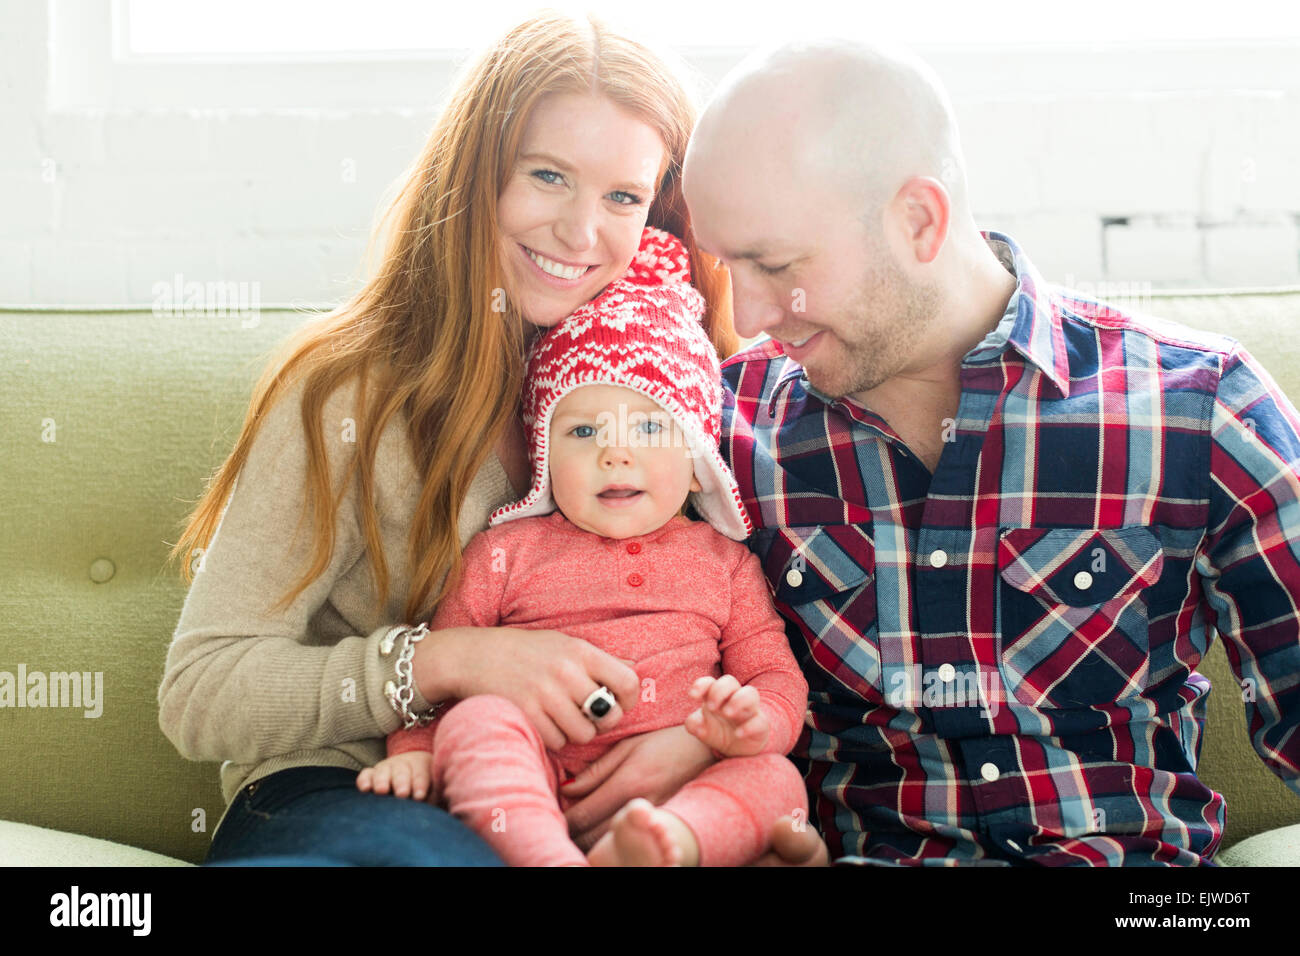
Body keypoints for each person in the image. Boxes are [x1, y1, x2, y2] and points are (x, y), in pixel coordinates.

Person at [157, 10, 824, 866]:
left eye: (623, 196)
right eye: (548, 176)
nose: (581, 233)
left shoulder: (682, 393)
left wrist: (697, 745)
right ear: (475, 176)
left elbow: (752, 655)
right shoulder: (346, 392)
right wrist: (449, 663)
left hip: (625, 795)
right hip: (355, 792)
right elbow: (200, 691)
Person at [683, 36, 1300, 865]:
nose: (750, 314)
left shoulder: (1200, 405)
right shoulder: (724, 431)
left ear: (920, 220)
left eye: (774, 264)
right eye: (730, 268)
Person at [355, 228, 810, 866]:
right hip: (536, 777)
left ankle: (668, 847)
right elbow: (442, 670)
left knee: (777, 782)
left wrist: (753, 725)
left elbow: (773, 676)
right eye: (584, 429)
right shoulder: (503, 553)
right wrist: (414, 754)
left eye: (650, 426)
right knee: (476, 724)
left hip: (683, 780)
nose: (614, 451)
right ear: (543, 450)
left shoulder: (725, 564)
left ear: (697, 454)